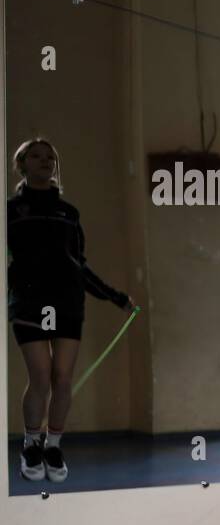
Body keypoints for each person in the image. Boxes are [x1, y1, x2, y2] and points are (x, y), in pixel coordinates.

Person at [7, 138, 133, 484]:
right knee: (41, 377)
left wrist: (115, 296)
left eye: (50, 157)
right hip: (30, 302)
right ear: (22, 165)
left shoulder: (69, 213)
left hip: (66, 303)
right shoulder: (10, 211)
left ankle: (53, 446)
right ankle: (31, 443)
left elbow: (79, 265)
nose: (45, 161)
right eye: (36, 156)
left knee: (63, 379)